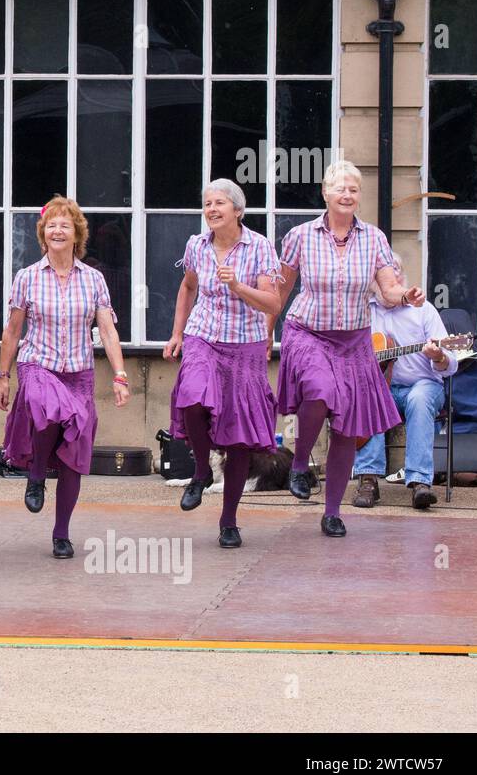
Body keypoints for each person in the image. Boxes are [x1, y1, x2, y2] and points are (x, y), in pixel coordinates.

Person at [272, 160, 423, 537]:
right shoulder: (301, 236)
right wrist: (262, 336)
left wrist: (405, 294)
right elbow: (279, 292)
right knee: (319, 391)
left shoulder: (374, 239)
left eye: (354, 189)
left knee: (346, 427)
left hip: (353, 341)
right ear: (325, 192)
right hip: (307, 331)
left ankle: (333, 512)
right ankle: (300, 464)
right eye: (340, 188)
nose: (347, 194)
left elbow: (387, 291)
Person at [0, 196, 130, 559]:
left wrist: (119, 375)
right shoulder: (26, 277)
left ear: (76, 235)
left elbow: (107, 331)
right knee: (46, 406)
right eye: (51, 224)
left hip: (79, 374)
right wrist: (3, 376)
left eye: (65, 225)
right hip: (37, 364)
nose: (58, 230)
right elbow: (12, 331)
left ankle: (61, 533)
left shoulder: (94, 279)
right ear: (43, 234)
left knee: (74, 455)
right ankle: (36, 473)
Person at [163, 179, 282, 548]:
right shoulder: (196, 245)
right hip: (203, 338)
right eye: (207, 204)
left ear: (237, 210)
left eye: (219, 203)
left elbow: (273, 304)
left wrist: (239, 287)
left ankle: (229, 520)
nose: (211, 209)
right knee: (192, 398)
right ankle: (200, 470)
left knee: (239, 438)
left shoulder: (260, 246)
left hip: (244, 346)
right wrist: (177, 332)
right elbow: (188, 287)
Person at [351, 284, 460, 510]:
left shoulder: (423, 310)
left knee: (418, 399)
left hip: (424, 385)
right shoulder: (362, 310)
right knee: (369, 394)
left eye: (393, 279)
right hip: (384, 389)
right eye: (383, 281)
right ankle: (368, 480)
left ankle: (420, 483)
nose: (390, 285)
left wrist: (439, 356)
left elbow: (451, 363)